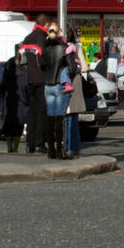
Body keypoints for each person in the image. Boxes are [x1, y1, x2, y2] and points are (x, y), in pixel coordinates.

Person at [19, 14, 52, 153]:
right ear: (45, 24)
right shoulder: (41, 37)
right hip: (41, 77)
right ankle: (40, 142)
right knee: (41, 111)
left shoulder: (28, 37)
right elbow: (43, 57)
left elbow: (21, 58)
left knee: (32, 111)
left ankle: (30, 143)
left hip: (30, 78)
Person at [42, 22, 69, 159]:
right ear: (59, 33)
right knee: (60, 119)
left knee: (50, 118)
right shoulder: (63, 47)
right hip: (59, 84)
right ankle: (60, 149)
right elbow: (72, 67)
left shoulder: (45, 48)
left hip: (48, 85)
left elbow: (41, 65)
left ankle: (50, 150)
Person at [0, 50, 24, 153]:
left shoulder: (6, 68)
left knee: (8, 125)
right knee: (18, 126)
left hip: (8, 99)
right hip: (21, 100)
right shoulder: (23, 71)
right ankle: (15, 148)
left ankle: (9, 147)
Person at [64, 32, 86, 157]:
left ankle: (68, 146)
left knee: (67, 117)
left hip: (65, 82)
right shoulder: (77, 47)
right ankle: (74, 147)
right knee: (73, 117)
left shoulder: (62, 47)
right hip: (75, 82)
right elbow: (84, 68)